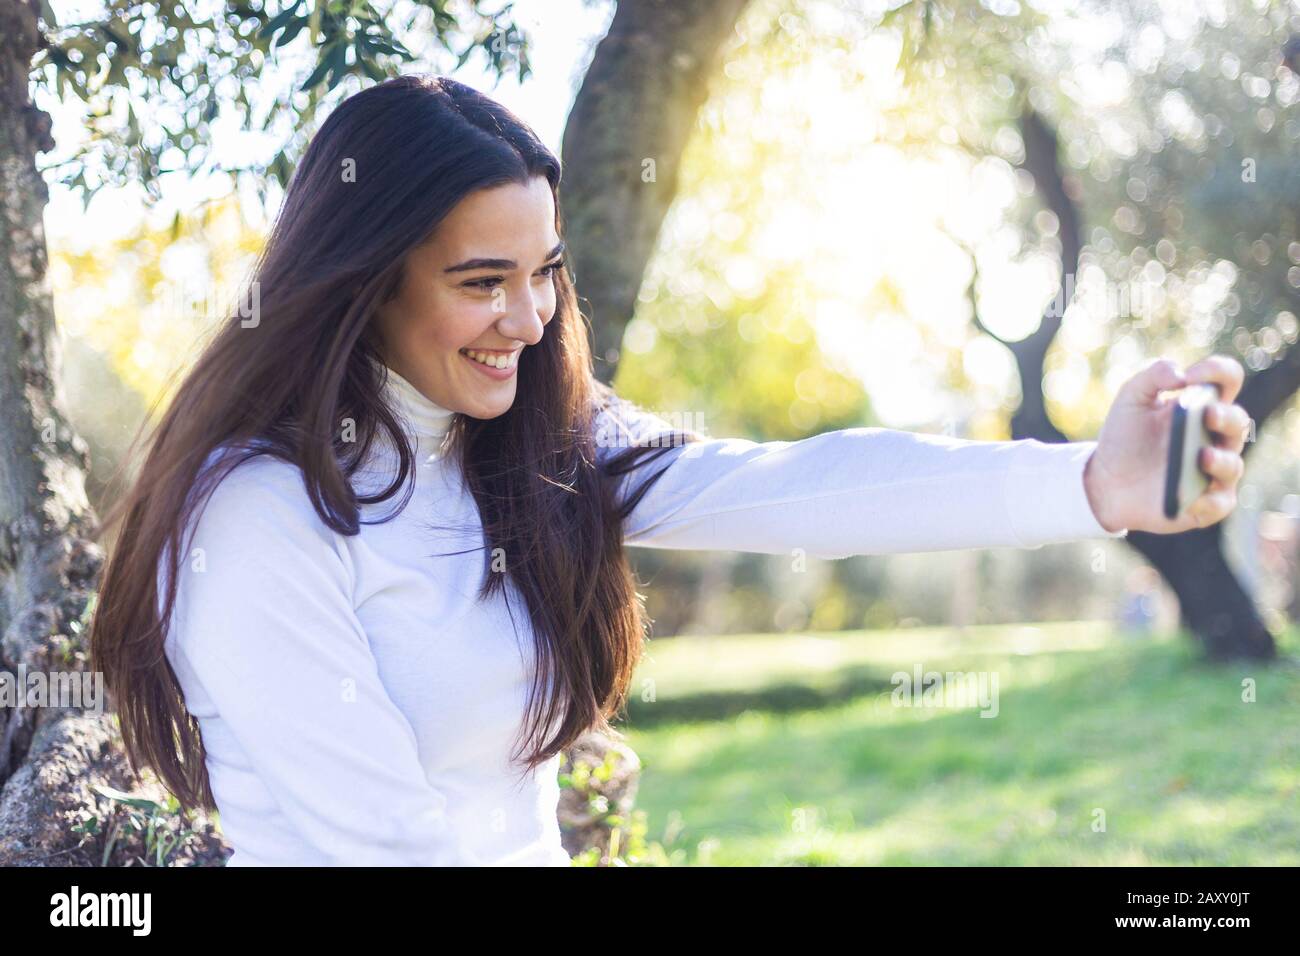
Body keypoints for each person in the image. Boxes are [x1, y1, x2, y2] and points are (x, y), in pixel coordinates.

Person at [88, 74, 1251, 866]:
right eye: (481, 281)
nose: (531, 319)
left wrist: (1088, 482)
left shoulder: (528, 440)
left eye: (545, 272)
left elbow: (789, 486)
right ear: (363, 279)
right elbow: (391, 848)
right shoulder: (253, 515)